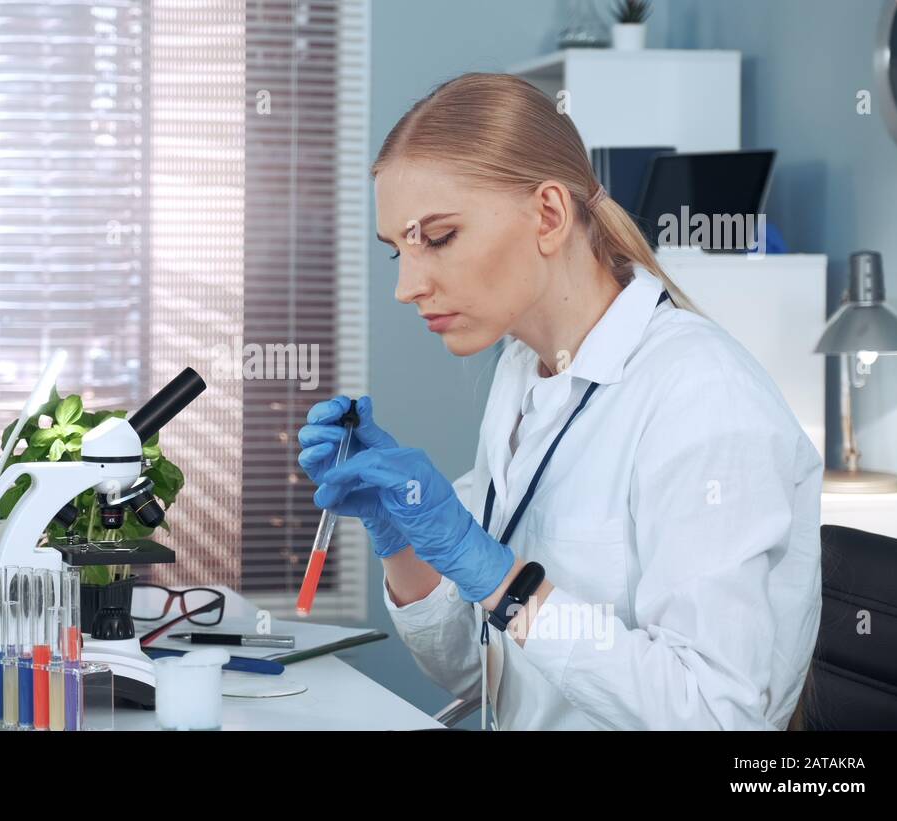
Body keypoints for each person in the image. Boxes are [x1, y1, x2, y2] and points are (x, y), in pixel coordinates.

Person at [297, 73, 822, 730]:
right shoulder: (522, 373)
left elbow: (718, 718)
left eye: (437, 237)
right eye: (398, 249)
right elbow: (479, 671)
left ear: (548, 214)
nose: (406, 285)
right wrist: (403, 540)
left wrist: (503, 580)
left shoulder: (702, 396)